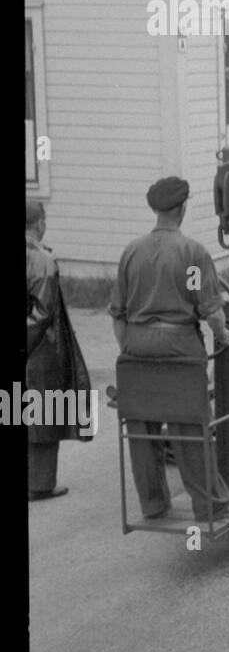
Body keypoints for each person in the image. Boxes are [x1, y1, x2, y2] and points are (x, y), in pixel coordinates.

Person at [111, 177, 229, 521]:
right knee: (189, 429)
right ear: (183, 209)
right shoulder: (191, 255)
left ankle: (153, 504)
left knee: (141, 430)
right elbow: (209, 310)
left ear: (156, 209)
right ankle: (209, 504)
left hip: (135, 350)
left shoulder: (132, 252)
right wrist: (224, 336)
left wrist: (131, 346)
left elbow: (118, 313)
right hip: (179, 350)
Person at [27, 200, 93, 500]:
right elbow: (41, 313)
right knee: (42, 416)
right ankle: (40, 484)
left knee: (17, 411)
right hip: (39, 347)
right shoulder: (42, 260)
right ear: (39, 222)